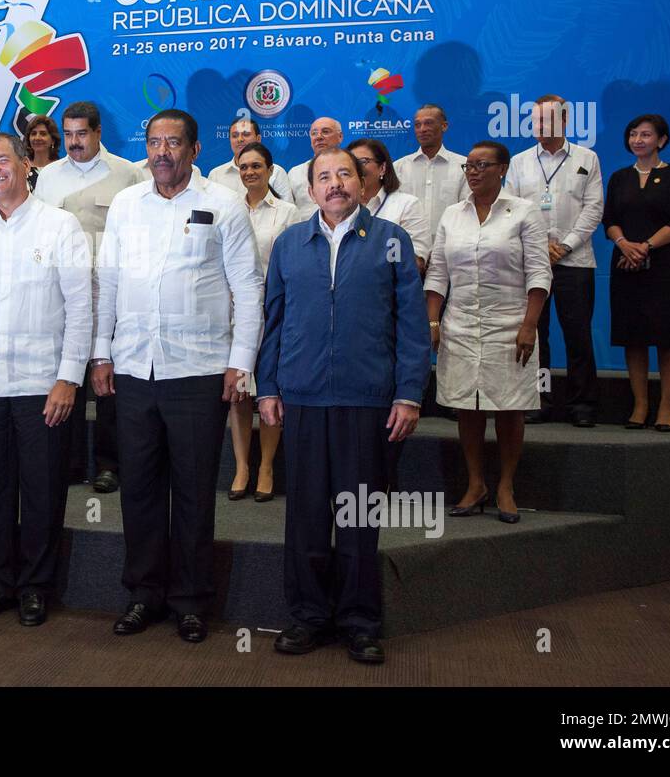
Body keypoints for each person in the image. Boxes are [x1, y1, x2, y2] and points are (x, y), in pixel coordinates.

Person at [94, 109, 262, 644]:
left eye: (173, 142)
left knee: (192, 492)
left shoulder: (223, 205)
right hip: (134, 368)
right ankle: (143, 594)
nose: (161, 151)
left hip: (199, 369)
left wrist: (242, 360)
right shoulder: (126, 204)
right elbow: (109, 281)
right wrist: (101, 354)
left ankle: (190, 600)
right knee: (138, 489)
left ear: (193, 149)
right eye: (153, 142)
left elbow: (248, 287)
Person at [257, 147, 429, 664]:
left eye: (345, 175)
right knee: (306, 515)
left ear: (365, 181)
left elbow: (412, 326)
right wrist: (267, 387)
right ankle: (308, 615)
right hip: (304, 397)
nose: (335, 185)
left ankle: (359, 621)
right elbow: (275, 322)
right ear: (310, 190)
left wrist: (409, 392)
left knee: (358, 517)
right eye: (324, 177)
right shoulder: (290, 243)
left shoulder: (392, 241)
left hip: (366, 399)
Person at [0, 132, 92, 628]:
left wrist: (70, 378)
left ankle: (35, 587)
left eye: (1, 160)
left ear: (27, 165)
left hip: (42, 385)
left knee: (44, 492)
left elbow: (80, 308)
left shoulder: (60, 226)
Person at [426, 141, 551, 525]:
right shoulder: (452, 214)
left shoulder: (523, 212)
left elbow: (539, 272)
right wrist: (433, 320)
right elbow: (437, 274)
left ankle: (506, 486)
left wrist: (529, 325)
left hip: (510, 325)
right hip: (460, 324)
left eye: (483, 165)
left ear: (503, 169)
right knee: (467, 406)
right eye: (469, 166)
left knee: (510, 406)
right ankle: (476, 483)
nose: (474, 171)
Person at [35, 100, 142, 492]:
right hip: (59, 293)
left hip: (108, 292)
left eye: (82, 134)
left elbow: (135, 235)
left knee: (106, 382)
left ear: (99, 133)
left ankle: (109, 464)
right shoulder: (47, 176)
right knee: (66, 376)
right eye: (69, 135)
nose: (75, 142)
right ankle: (70, 462)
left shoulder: (126, 174)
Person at [505, 95, 603, 427]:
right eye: (535, 121)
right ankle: (540, 398)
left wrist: (566, 245)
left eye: (547, 121)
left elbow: (594, 209)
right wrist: (538, 248)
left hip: (575, 263)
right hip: (532, 264)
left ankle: (582, 403)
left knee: (578, 335)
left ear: (564, 121)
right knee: (536, 334)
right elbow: (512, 208)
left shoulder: (587, 158)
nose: (540, 128)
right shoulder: (519, 162)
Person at [602, 114, 670, 432]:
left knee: (668, 337)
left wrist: (644, 246)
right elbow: (609, 219)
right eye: (632, 134)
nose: (638, 140)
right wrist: (624, 243)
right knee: (634, 336)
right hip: (626, 264)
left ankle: (667, 404)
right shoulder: (619, 178)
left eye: (645, 135)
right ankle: (640, 404)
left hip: (666, 267)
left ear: (662, 140)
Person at [226, 142, 297, 501]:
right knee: (237, 392)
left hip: (273, 313)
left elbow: (293, 266)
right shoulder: (227, 209)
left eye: (257, 166)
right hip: (233, 314)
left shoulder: (287, 213)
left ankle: (266, 465)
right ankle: (242, 466)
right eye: (244, 167)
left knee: (270, 389)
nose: (250, 172)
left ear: (270, 171)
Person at [347, 138, 430, 273]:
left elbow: (417, 263)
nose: (356, 168)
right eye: (351, 163)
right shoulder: (341, 207)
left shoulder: (407, 205)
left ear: (383, 168)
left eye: (363, 162)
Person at [394, 104, 468, 237]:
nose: (422, 129)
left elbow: (468, 210)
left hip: (450, 246)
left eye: (428, 123)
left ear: (444, 126)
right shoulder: (398, 167)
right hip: (409, 248)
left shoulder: (463, 166)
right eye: (417, 125)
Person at [207, 117, 293, 201]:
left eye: (246, 134)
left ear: (258, 139)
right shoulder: (216, 175)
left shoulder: (276, 172)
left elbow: (286, 210)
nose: (240, 139)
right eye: (235, 136)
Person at [288, 117, 344, 219]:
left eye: (325, 132)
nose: (318, 137)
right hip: (305, 232)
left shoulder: (352, 169)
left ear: (340, 136)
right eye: (314, 133)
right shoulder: (295, 173)